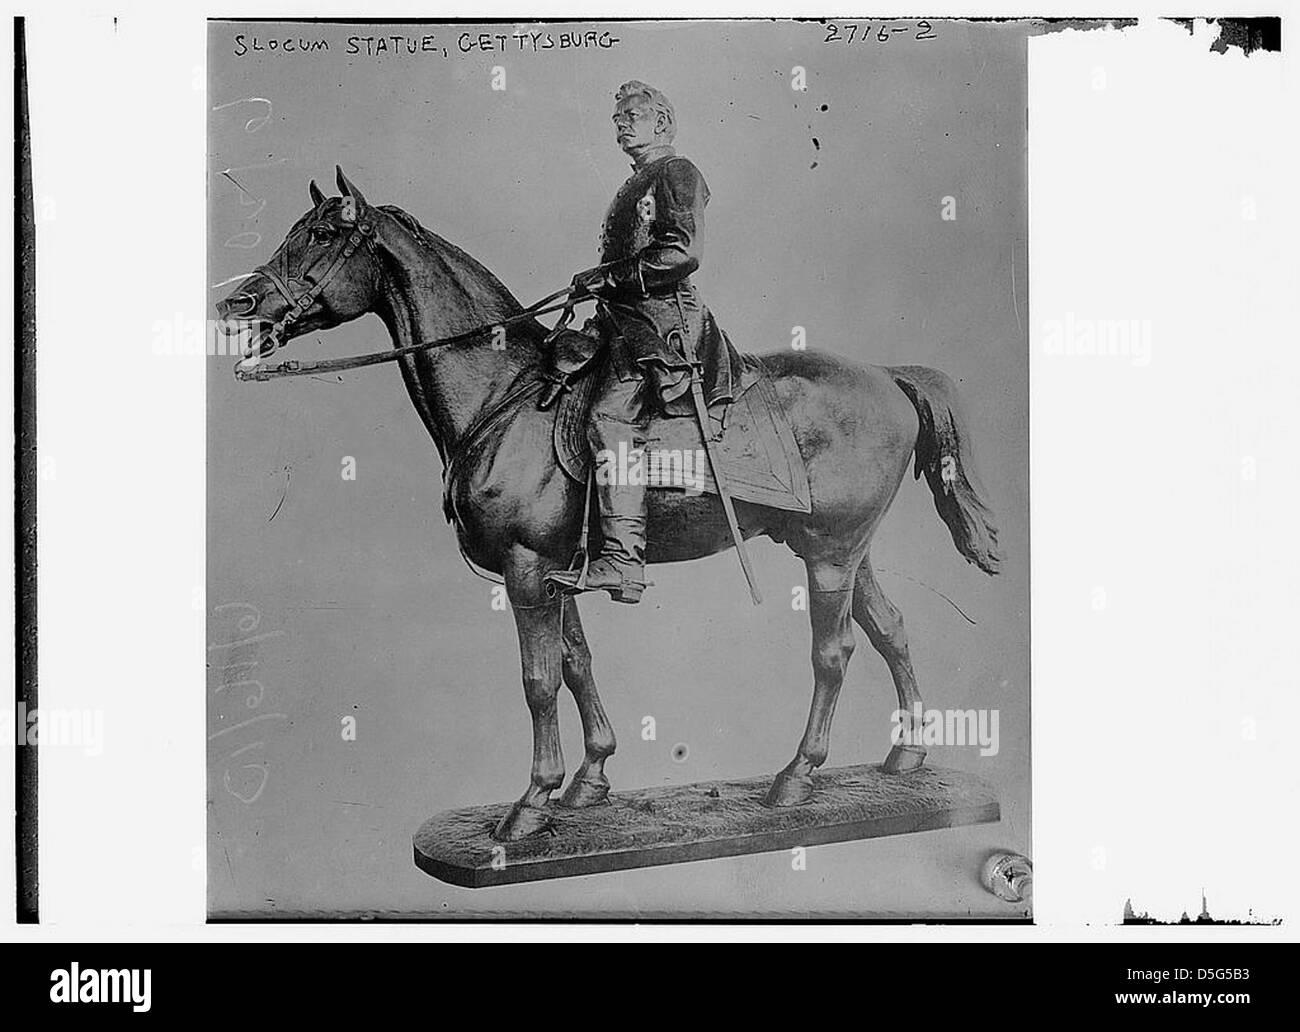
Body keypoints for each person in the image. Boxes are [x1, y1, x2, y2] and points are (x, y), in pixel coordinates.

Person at [545, 80, 723, 604]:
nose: (620, 123)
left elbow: (683, 253)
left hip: (663, 320)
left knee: (608, 415)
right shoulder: (637, 181)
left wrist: (609, 277)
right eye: (617, 116)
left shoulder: (676, 173)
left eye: (632, 114)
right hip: (627, 316)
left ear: (662, 123)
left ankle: (624, 561)